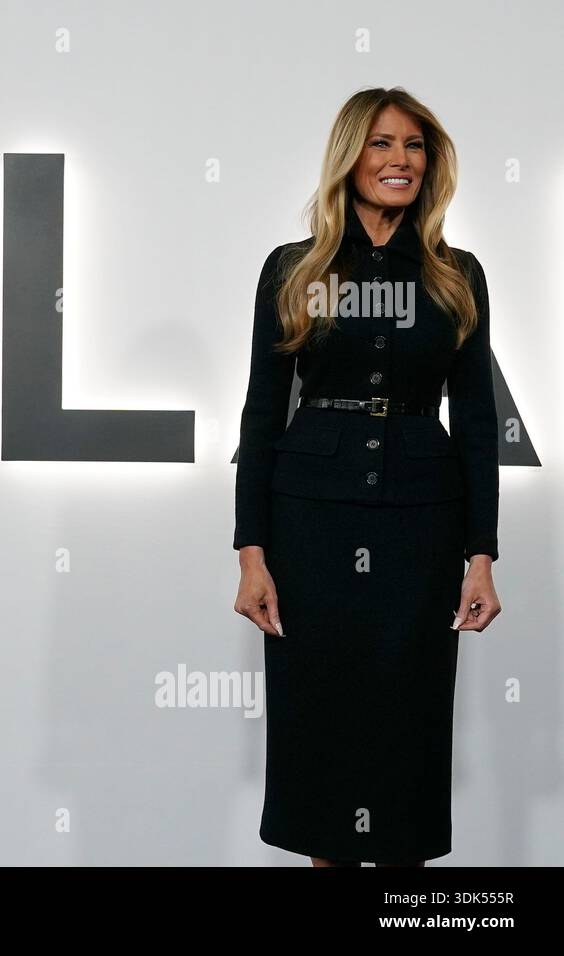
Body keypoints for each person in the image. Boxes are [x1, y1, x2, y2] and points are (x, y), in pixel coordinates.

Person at [232, 88, 502, 867]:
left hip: (421, 523)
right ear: (351, 158)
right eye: (382, 144)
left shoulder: (457, 274)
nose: (400, 161)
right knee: (322, 733)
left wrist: (480, 552)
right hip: (311, 524)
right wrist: (251, 550)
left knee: (405, 728)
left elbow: (477, 422)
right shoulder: (293, 270)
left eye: (415, 146)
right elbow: (261, 413)